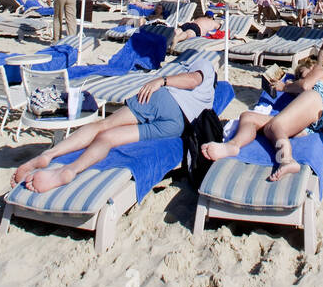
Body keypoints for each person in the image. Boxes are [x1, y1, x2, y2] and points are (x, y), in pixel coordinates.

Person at [11, 49, 220, 193]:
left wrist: (162, 80)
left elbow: (193, 79)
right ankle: (70, 170)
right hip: (176, 126)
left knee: (104, 126)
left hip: (166, 101)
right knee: (108, 139)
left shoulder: (205, 65)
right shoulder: (209, 99)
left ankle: (49, 154)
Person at [201, 56, 323, 181]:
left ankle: (287, 160)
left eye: (301, 74)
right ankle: (233, 145)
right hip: (304, 121)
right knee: (248, 117)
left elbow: (305, 85)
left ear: (310, 66)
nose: (299, 78)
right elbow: (301, 88)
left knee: (272, 126)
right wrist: (290, 86)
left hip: (315, 101)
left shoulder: (318, 70)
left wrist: (284, 87)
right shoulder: (303, 88)